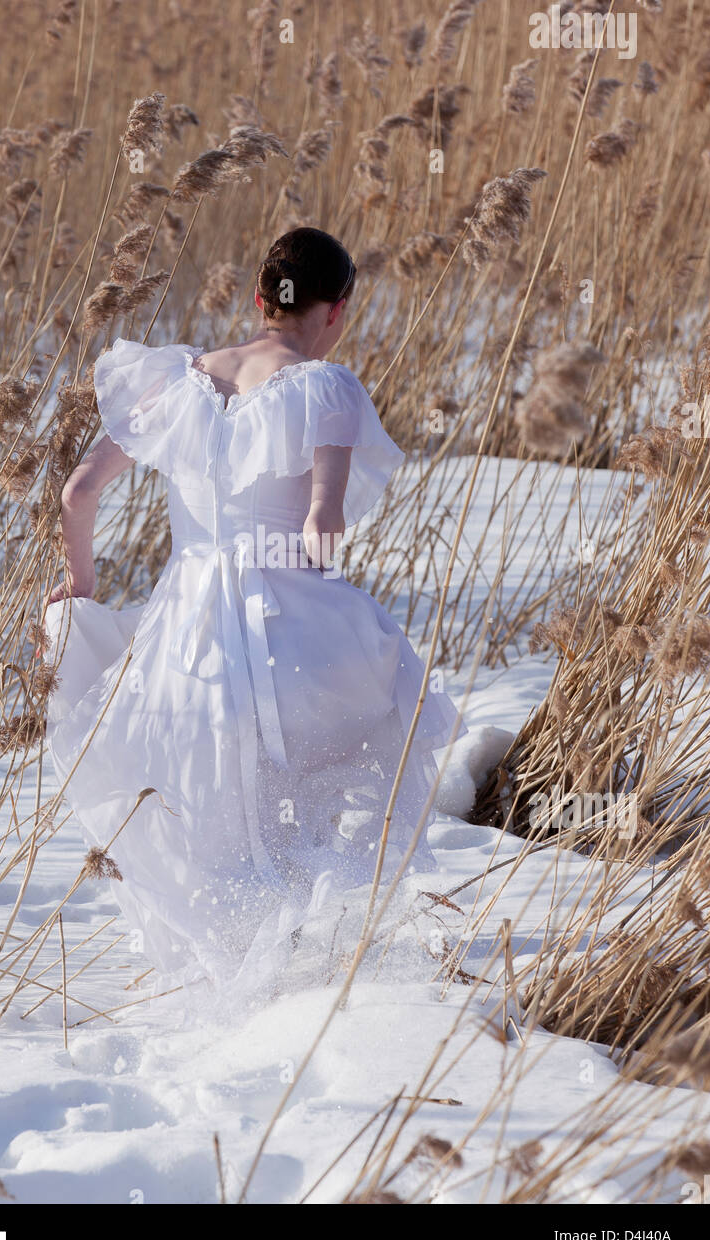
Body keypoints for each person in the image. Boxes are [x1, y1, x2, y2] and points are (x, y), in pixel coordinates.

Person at [42, 226, 464, 1010]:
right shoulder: (325, 387)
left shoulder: (174, 381)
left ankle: (229, 968)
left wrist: (83, 579)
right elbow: (322, 526)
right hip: (285, 616)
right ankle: (302, 953)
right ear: (335, 311)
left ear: (262, 299)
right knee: (373, 725)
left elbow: (77, 494)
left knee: (207, 793)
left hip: (186, 630)